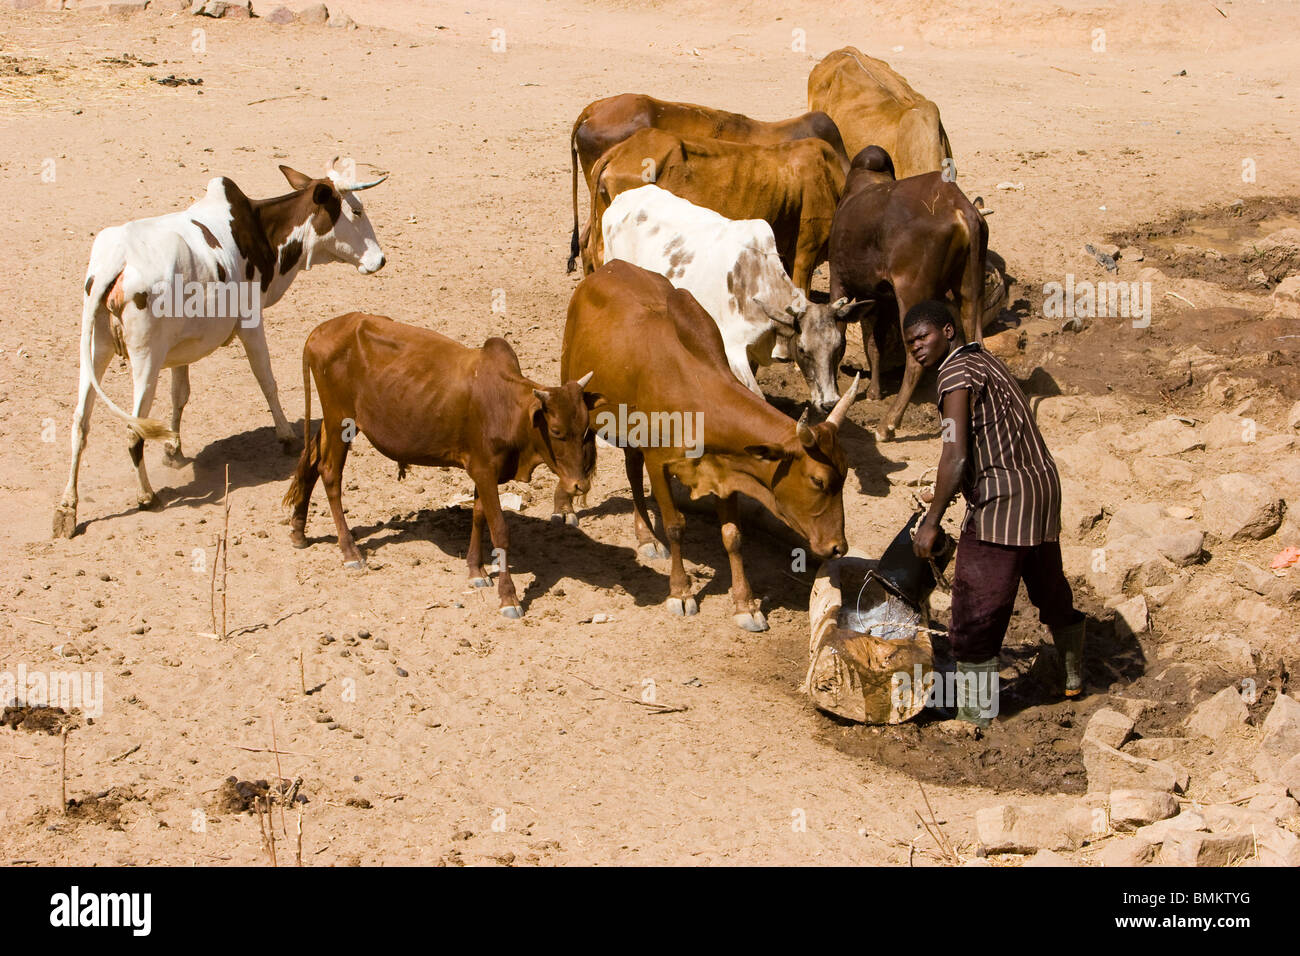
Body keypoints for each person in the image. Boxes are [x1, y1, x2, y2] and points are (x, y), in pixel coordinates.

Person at [903, 301, 1085, 727]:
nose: (916, 348)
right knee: (1049, 588)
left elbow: (956, 453)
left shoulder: (954, 373)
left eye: (922, 337)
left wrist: (932, 521)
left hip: (1003, 501)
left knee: (974, 613)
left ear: (947, 331)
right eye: (909, 343)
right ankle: (1074, 677)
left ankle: (974, 715)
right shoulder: (983, 359)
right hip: (1041, 488)